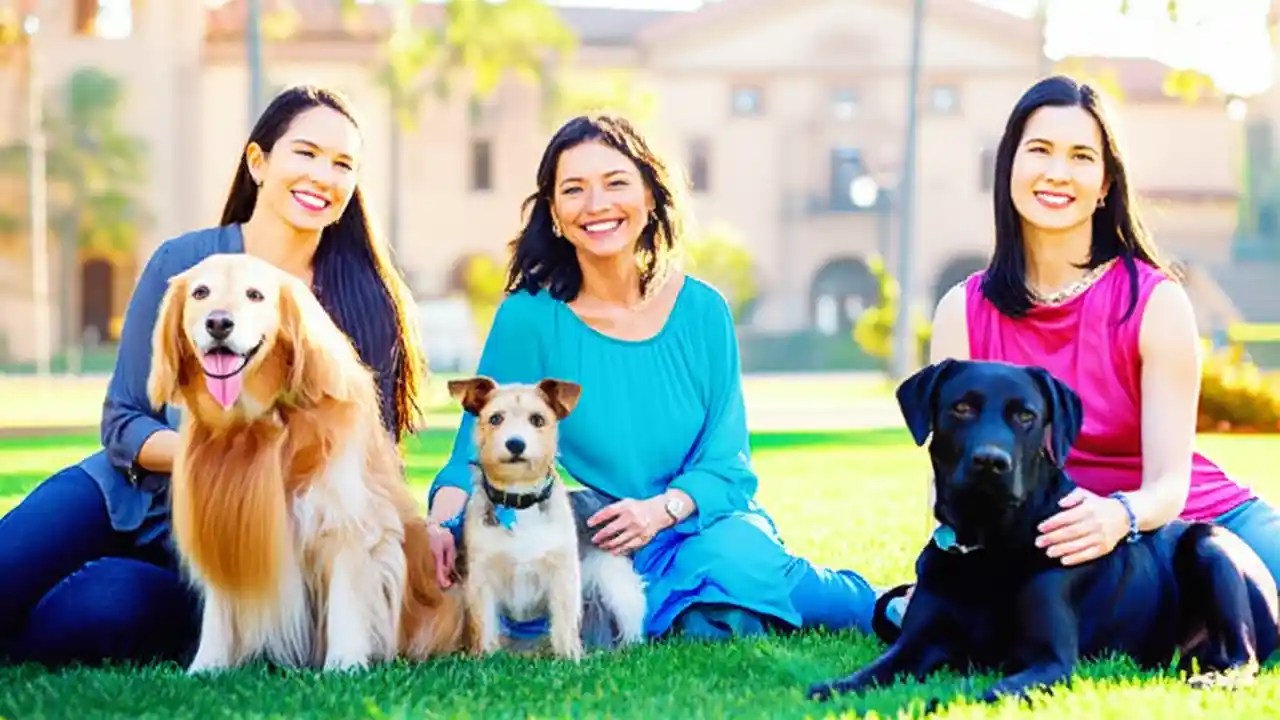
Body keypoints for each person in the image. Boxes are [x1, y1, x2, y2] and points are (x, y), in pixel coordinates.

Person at [0, 84, 425, 667]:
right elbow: (123, 420)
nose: (322, 176)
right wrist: (216, 455)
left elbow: (369, 460)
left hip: (223, 540)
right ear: (258, 162)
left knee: (92, 614)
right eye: (305, 153)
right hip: (123, 491)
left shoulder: (361, 300)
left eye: (343, 164)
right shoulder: (184, 265)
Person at [426, 113, 885, 642]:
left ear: (650, 198)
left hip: (698, 522)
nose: (596, 205)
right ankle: (702, 611)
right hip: (598, 536)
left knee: (744, 568)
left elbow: (727, 463)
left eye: (616, 183)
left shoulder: (703, 311)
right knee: (532, 609)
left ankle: (880, 604)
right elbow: (474, 448)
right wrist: (442, 525)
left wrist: (660, 511)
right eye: (573, 189)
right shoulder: (529, 318)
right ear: (554, 213)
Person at [875, 75, 1280, 642]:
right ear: (1009, 166)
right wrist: (950, 568)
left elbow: (1170, 483)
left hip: (1191, 528)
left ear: (1105, 184)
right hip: (1062, 543)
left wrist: (1118, 516)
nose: (1057, 172)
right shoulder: (962, 309)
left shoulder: (1155, 300)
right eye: (1039, 150)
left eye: (1081, 156)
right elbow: (948, 468)